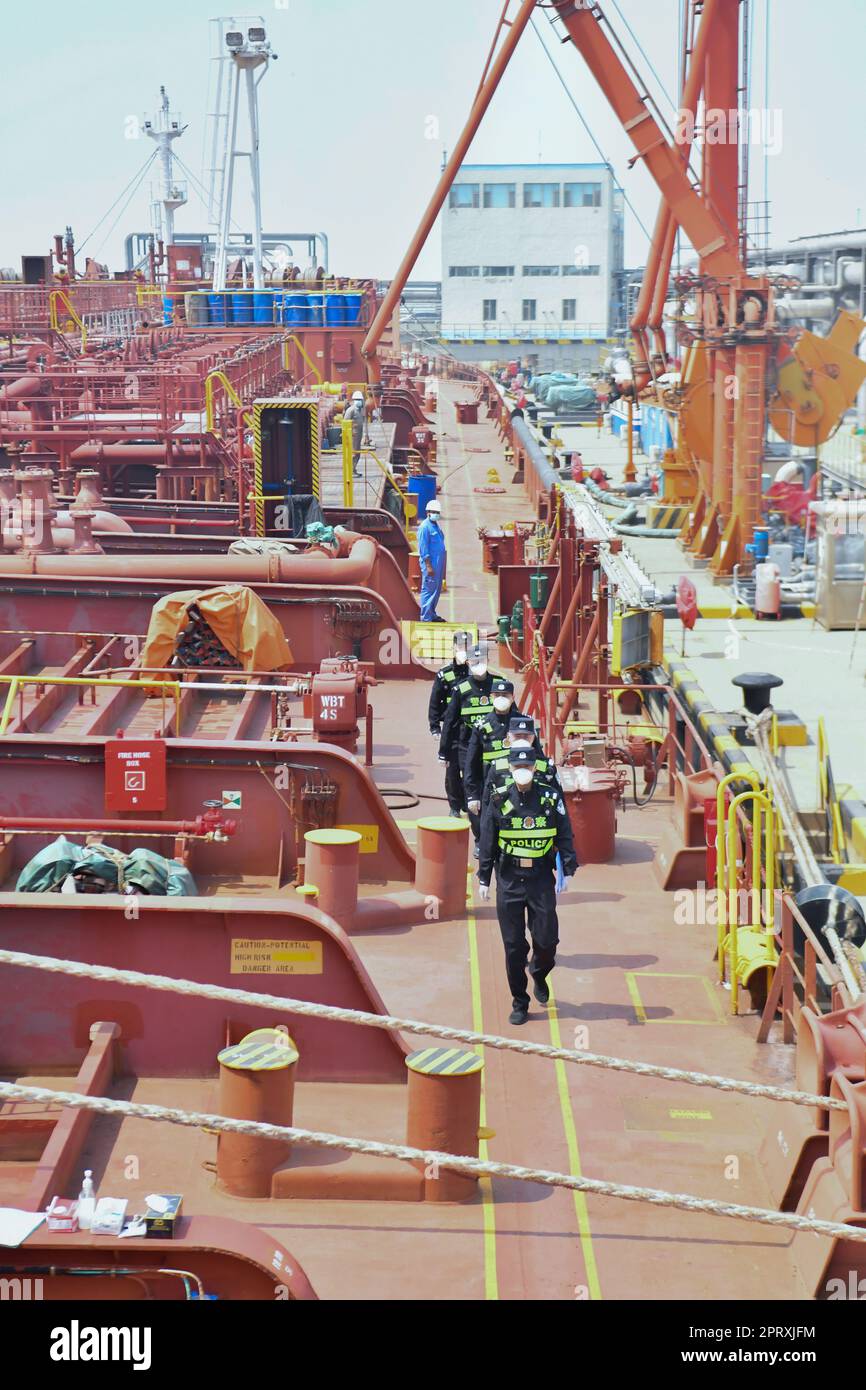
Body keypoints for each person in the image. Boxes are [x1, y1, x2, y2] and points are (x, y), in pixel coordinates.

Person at [478, 746, 578, 1025]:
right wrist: (484, 876)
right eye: (517, 767)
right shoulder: (499, 800)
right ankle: (519, 1002)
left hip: (540, 879)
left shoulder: (550, 798)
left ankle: (539, 973)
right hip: (509, 879)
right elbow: (487, 839)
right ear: (510, 769)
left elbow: (565, 833)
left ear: (535, 768)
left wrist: (568, 868)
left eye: (528, 767)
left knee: (547, 941)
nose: (523, 772)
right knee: (513, 946)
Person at [439, 642, 495, 846]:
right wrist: (443, 751)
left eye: (482, 660)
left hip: (494, 751)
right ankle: (480, 839)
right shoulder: (462, 690)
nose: (479, 664)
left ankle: (493, 837)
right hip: (467, 751)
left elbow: (513, 720)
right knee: (474, 796)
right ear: (470, 662)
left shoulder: (499, 686)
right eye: (475, 661)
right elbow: (450, 722)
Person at [463, 678, 520, 848]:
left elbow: (537, 757)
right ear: (491, 697)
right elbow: (471, 764)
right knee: (485, 825)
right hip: (489, 786)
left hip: (516, 786)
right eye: (498, 695)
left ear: (513, 697)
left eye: (506, 695)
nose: (502, 698)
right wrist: (472, 795)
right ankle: (482, 844)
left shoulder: (523, 723)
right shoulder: (481, 725)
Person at [428, 630, 471, 816]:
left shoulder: (475, 674)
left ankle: (468, 802)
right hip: (452, 729)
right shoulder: (444, 675)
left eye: (466, 647)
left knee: (470, 769)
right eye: (460, 646)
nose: (463, 650)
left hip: (470, 730)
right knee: (452, 770)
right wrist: (435, 726)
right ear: (454, 648)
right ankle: (454, 806)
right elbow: (434, 702)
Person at [481, 714, 560, 812]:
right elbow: (487, 803)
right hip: (508, 819)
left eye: (526, 736)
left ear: (533, 737)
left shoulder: (547, 767)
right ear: (508, 737)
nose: (522, 740)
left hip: (540, 817)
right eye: (517, 736)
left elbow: (559, 801)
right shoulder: (497, 767)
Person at [417, 499, 447, 623]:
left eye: (437, 512)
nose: (436, 513)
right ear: (428, 512)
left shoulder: (435, 525)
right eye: (434, 511)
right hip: (431, 564)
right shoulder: (424, 527)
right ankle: (426, 618)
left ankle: (432, 613)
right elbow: (423, 549)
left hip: (438, 564)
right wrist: (428, 566)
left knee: (436, 590)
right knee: (428, 590)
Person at [343, 390, 367, 477]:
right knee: (353, 453)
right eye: (357, 399)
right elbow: (345, 422)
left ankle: (353, 469)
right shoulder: (350, 410)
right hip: (352, 435)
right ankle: (350, 471)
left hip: (358, 435)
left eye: (360, 399)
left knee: (357, 453)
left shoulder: (360, 410)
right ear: (354, 400)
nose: (359, 401)